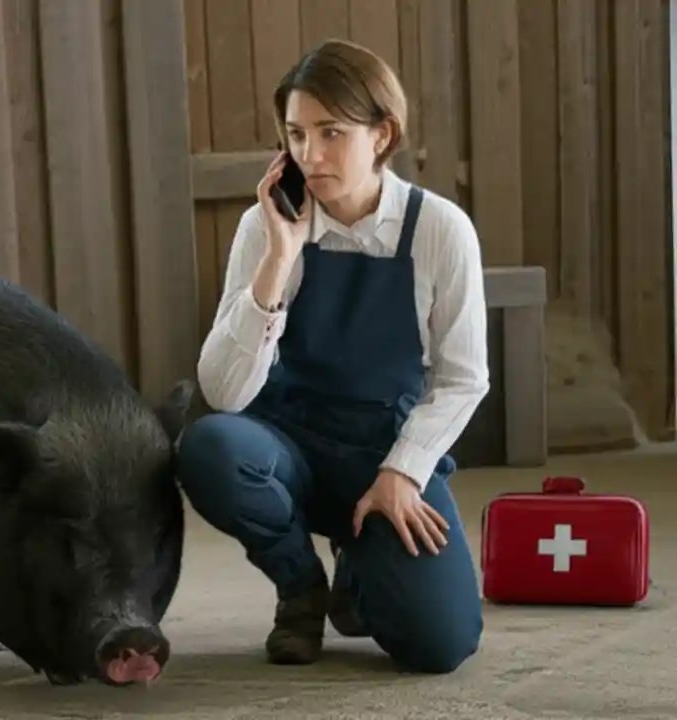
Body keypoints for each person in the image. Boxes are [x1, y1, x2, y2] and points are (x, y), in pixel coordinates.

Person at [175, 39, 487, 674]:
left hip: (381, 456)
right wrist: (278, 257)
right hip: (285, 446)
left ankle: (359, 564)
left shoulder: (440, 230)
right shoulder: (264, 228)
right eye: (296, 135)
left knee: (439, 644)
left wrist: (404, 473)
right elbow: (225, 392)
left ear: (382, 135)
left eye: (331, 133)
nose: (309, 156)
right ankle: (299, 587)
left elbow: (463, 379)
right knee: (209, 446)